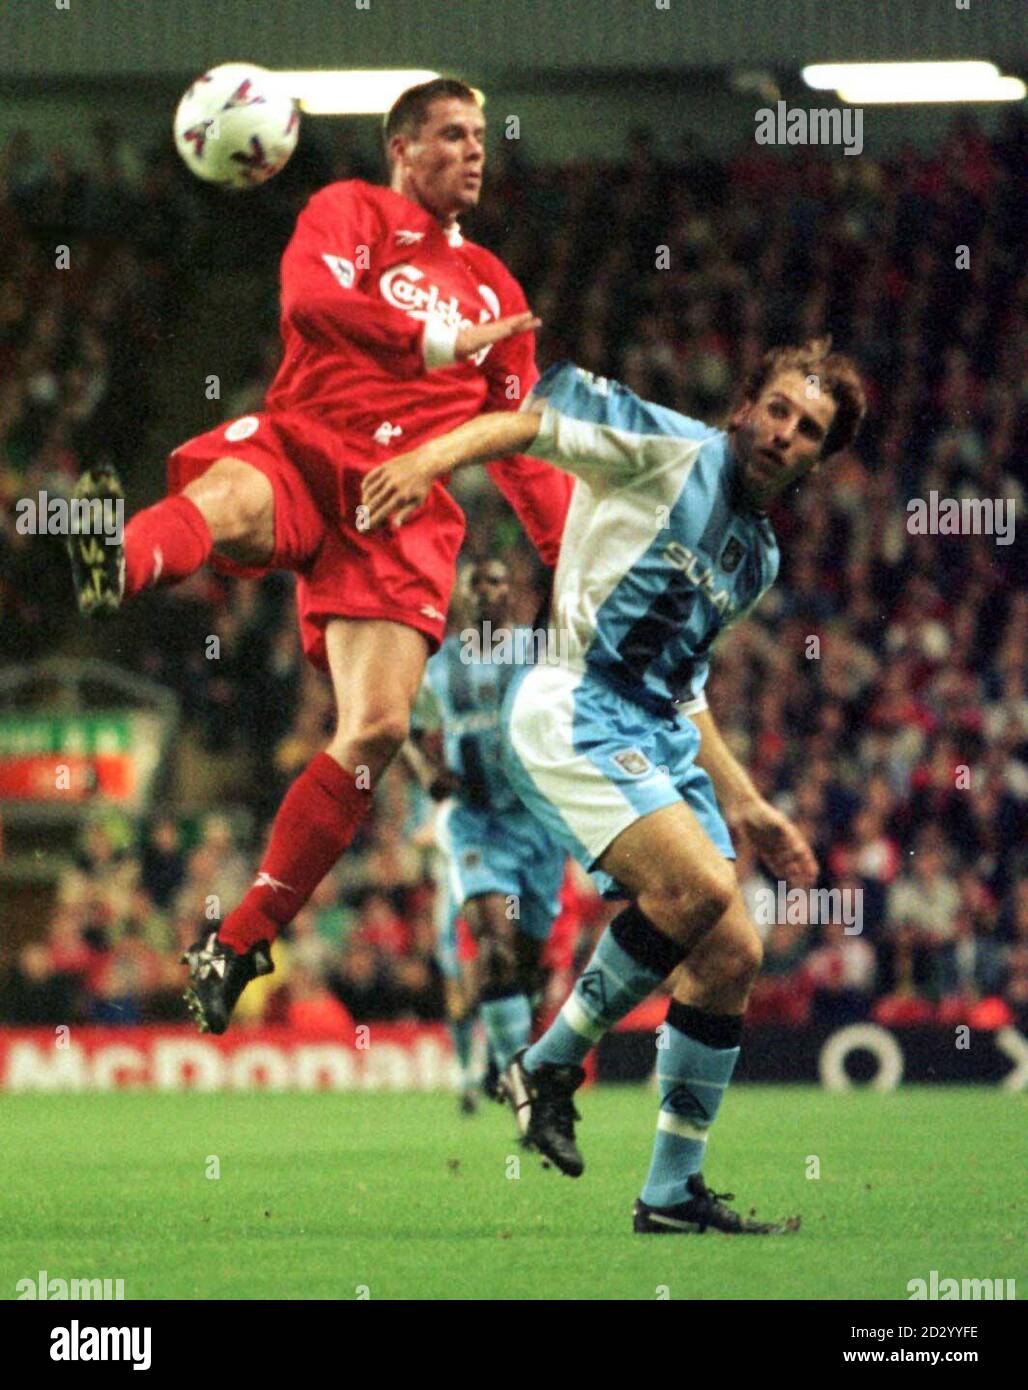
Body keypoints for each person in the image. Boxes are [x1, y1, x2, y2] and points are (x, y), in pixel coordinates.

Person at [65, 78, 571, 1034]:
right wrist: (430, 342)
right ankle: (116, 563)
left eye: (480, 137)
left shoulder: (500, 289)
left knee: (376, 730)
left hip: (402, 510)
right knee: (227, 499)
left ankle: (242, 936)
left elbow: (519, 440)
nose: (475, 151)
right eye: (452, 135)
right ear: (402, 148)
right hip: (309, 445)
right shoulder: (349, 212)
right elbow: (308, 301)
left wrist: (572, 562)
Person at [362, 337, 866, 1235]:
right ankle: (548, 1064)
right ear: (746, 405)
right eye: (780, 409)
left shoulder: (757, 561)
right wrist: (424, 459)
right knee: (700, 889)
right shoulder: (667, 446)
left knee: (732, 955)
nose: (786, 433)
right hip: (573, 705)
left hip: (657, 732)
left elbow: (687, 688)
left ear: (821, 460)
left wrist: (748, 803)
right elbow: (531, 427)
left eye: (810, 429)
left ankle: (671, 1190)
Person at [406, 557, 567, 1112]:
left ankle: (507, 1059)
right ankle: (515, 1084)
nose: (486, 593)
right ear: (460, 596)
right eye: (475, 584)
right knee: (494, 951)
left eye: (497, 581)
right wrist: (427, 772)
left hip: (540, 827)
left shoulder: (540, 652)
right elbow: (399, 727)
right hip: (477, 825)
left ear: (512, 592)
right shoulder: (438, 668)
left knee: (526, 969)